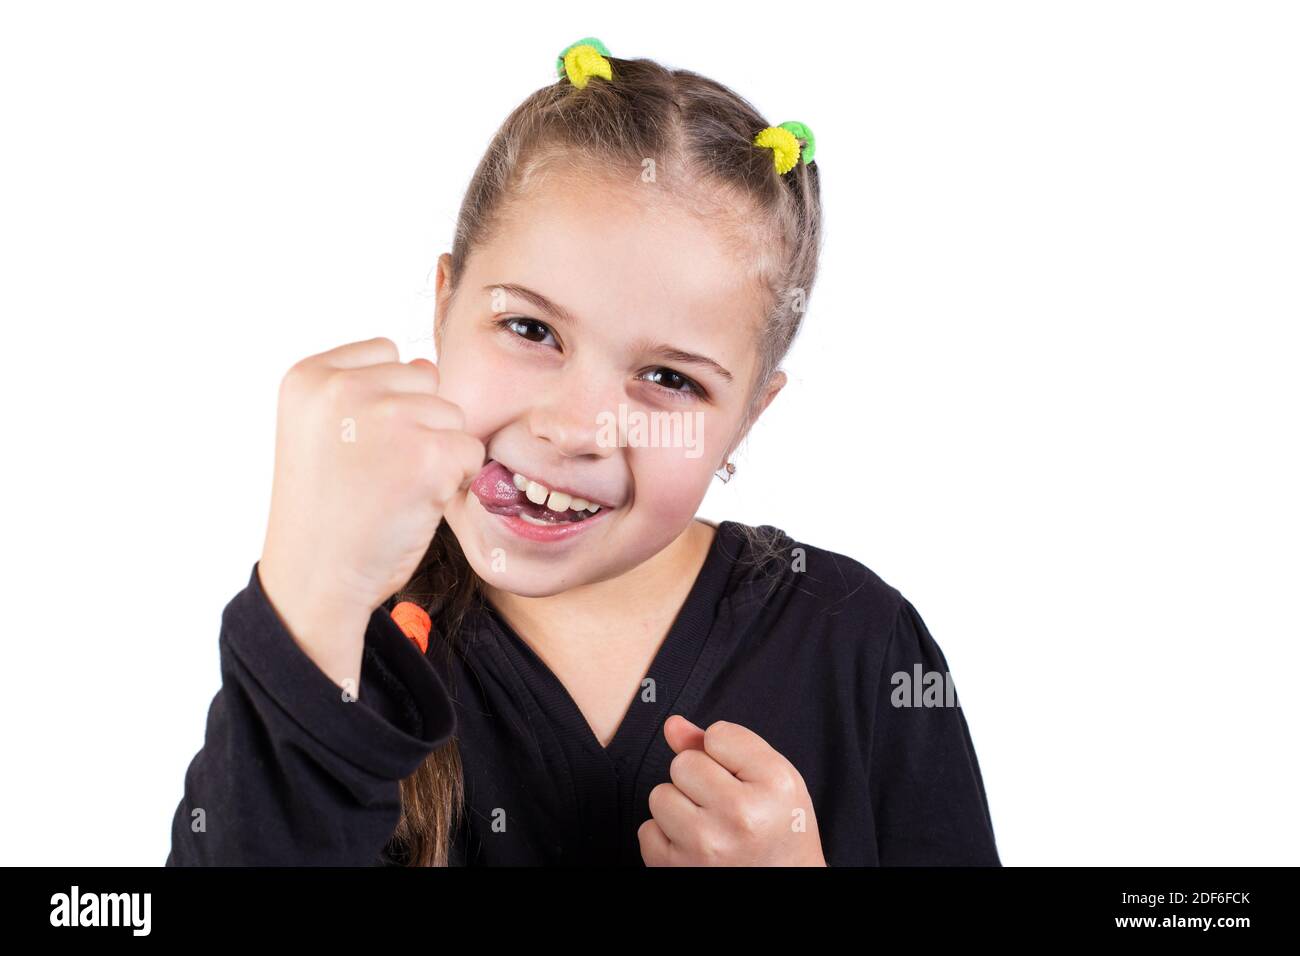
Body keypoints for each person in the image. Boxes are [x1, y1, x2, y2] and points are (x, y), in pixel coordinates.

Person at [166, 37, 1000, 867]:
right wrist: (306, 600)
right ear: (446, 303)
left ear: (747, 418)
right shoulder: (347, 636)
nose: (575, 428)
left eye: (670, 378)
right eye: (529, 329)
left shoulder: (860, 646)